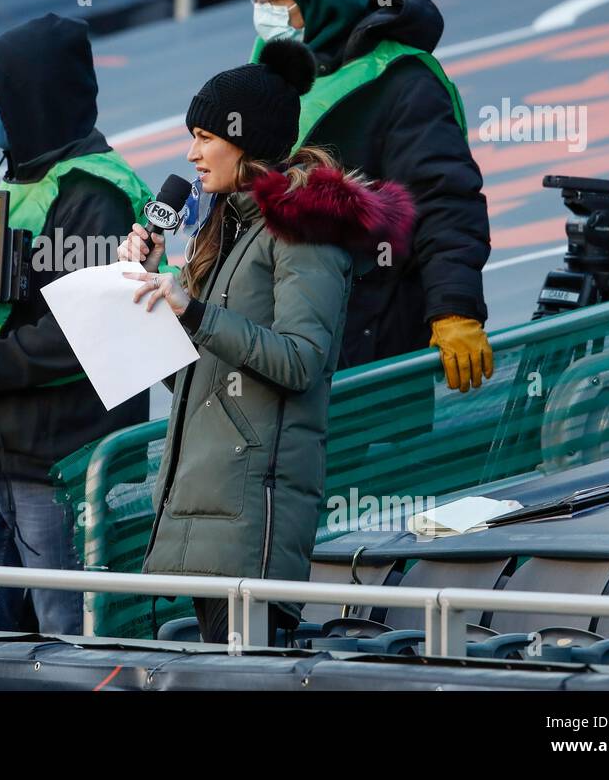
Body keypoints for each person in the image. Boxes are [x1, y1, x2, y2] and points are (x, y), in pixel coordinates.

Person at [122, 40, 414, 644]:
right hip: (207, 519)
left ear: (245, 141)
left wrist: (194, 310)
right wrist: (152, 290)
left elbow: (301, 360)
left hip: (253, 523)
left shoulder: (302, 232)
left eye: (205, 136)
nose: (191, 153)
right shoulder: (229, 229)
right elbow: (191, 380)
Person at [0, 13, 156, 635]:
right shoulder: (24, 183)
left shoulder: (94, 193)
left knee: (71, 645)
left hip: (59, 467)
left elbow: (85, 337)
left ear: (36, 96)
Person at [244, 0, 493, 393]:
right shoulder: (275, 63)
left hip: (369, 332)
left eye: (275, 2)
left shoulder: (403, 83)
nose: (263, 14)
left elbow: (445, 201)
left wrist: (454, 309)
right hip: (279, 320)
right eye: (257, 0)